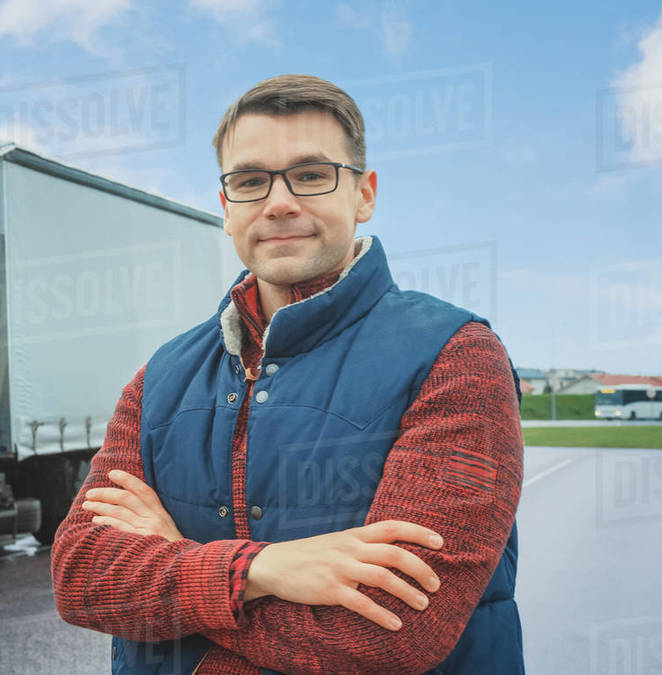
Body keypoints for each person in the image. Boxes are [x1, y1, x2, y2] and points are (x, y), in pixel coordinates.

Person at [50, 74, 524, 674]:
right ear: (226, 209)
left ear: (364, 194)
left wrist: (174, 564)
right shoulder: (160, 377)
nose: (278, 202)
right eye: (250, 181)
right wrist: (260, 570)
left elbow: (390, 633)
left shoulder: (454, 357)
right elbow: (80, 576)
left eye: (310, 175)